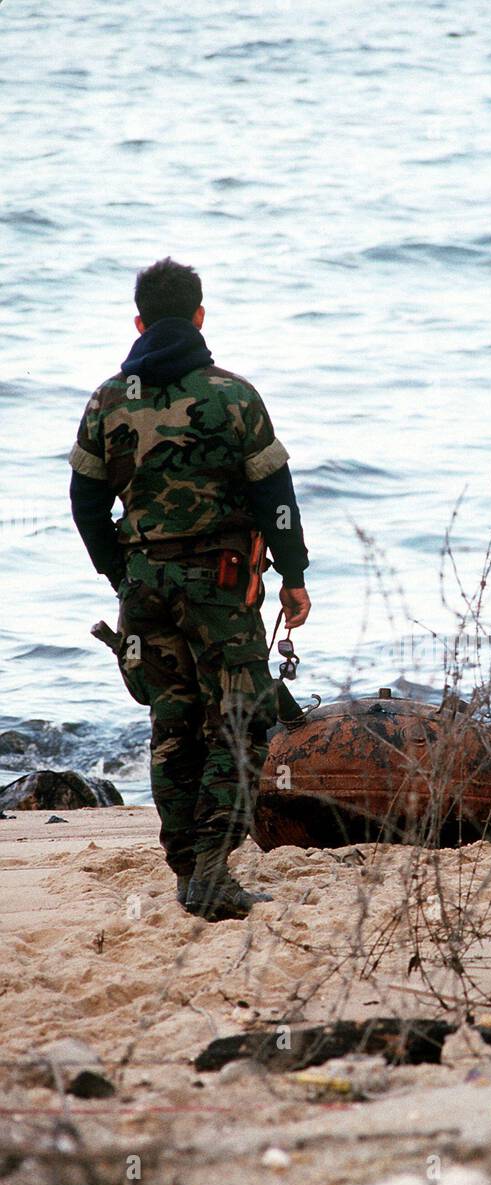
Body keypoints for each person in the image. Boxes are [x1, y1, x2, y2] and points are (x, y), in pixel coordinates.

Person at [69, 257, 310, 918]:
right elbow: (276, 499)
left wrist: (121, 574)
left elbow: (86, 505)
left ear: (140, 321)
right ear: (200, 315)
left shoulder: (108, 401)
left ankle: (186, 869)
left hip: (145, 586)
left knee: (172, 722)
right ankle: (209, 865)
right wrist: (292, 574)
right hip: (224, 588)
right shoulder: (233, 397)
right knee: (241, 720)